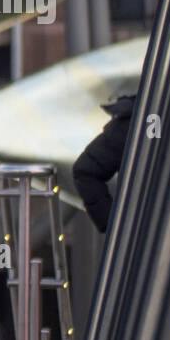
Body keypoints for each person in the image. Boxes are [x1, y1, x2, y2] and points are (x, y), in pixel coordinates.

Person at [73, 93, 137, 234]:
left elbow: (85, 170)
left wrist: (113, 227)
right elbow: (86, 170)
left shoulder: (141, 115)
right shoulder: (141, 117)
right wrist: (112, 226)